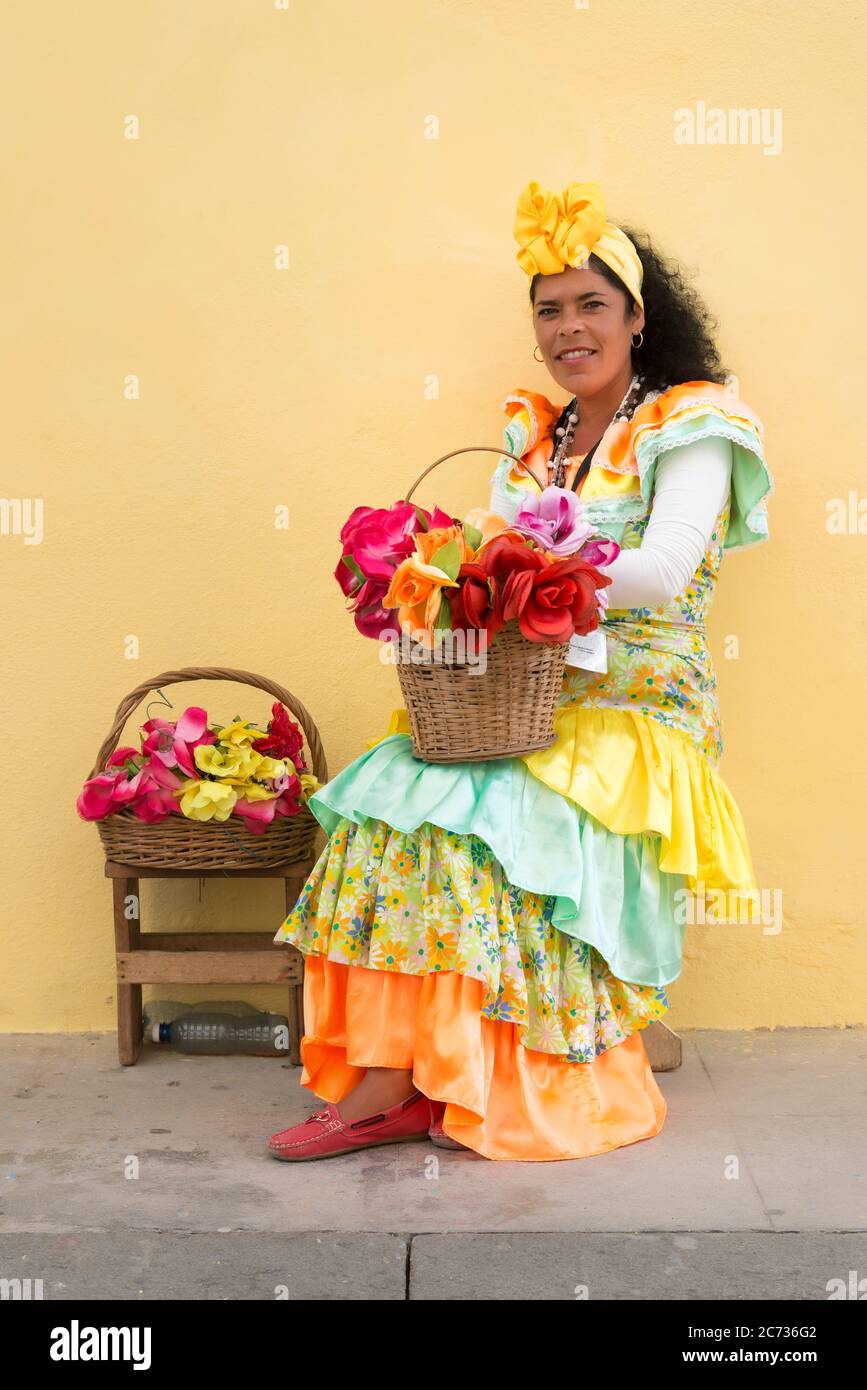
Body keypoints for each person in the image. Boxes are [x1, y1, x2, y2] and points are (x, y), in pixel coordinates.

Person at [267, 178, 773, 1162]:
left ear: (636, 315)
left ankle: (471, 1072)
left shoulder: (689, 421)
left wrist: (536, 571)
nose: (569, 327)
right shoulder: (534, 437)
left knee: (474, 833)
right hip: (522, 699)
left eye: (591, 303)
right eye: (550, 309)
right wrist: (445, 582)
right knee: (390, 804)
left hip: (638, 713)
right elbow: (497, 550)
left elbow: (665, 574)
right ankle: (402, 1075)